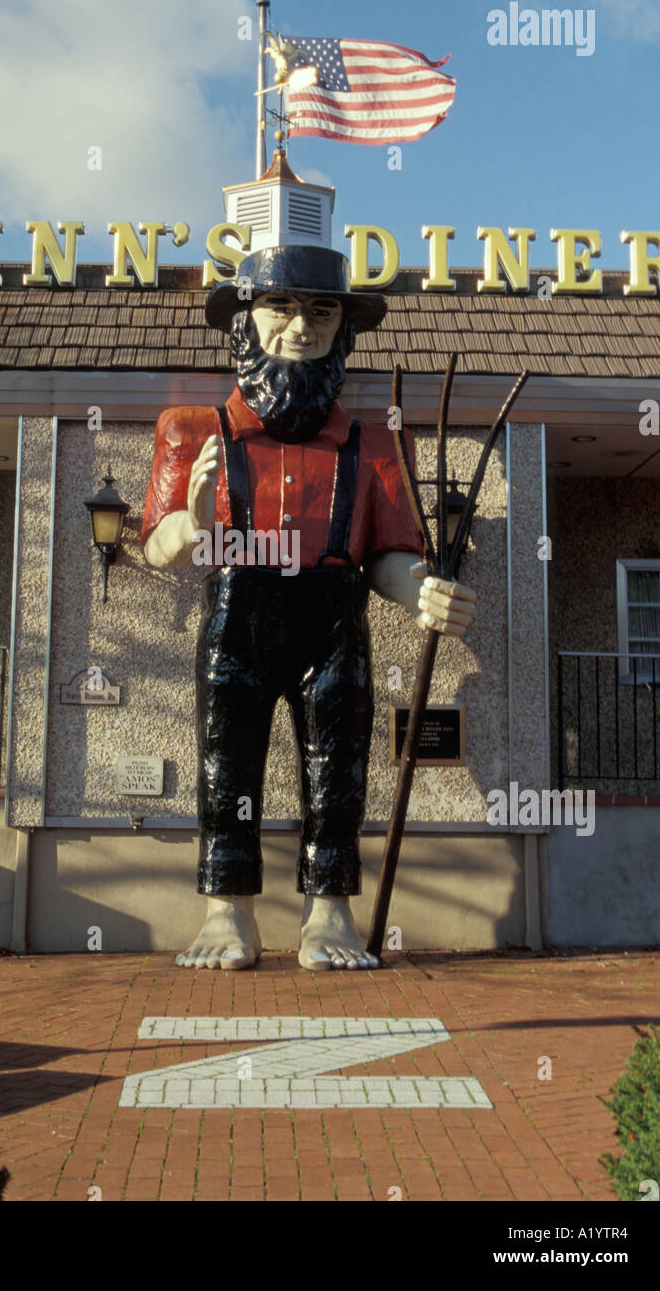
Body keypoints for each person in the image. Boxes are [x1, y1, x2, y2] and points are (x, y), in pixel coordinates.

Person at [141, 245, 475, 970]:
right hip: (239, 608)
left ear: (341, 329)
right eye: (281, 307)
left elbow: (387, 554)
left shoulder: (377, 443)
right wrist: (194, 522)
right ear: (245, 321)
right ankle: (227, 913)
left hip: (332, 614)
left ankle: (330, 914)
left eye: (321, 311)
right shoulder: (190, 431)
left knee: (339, 766)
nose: (301, 326)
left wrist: (423, 590)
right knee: (225, 761)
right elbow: (159, 547)